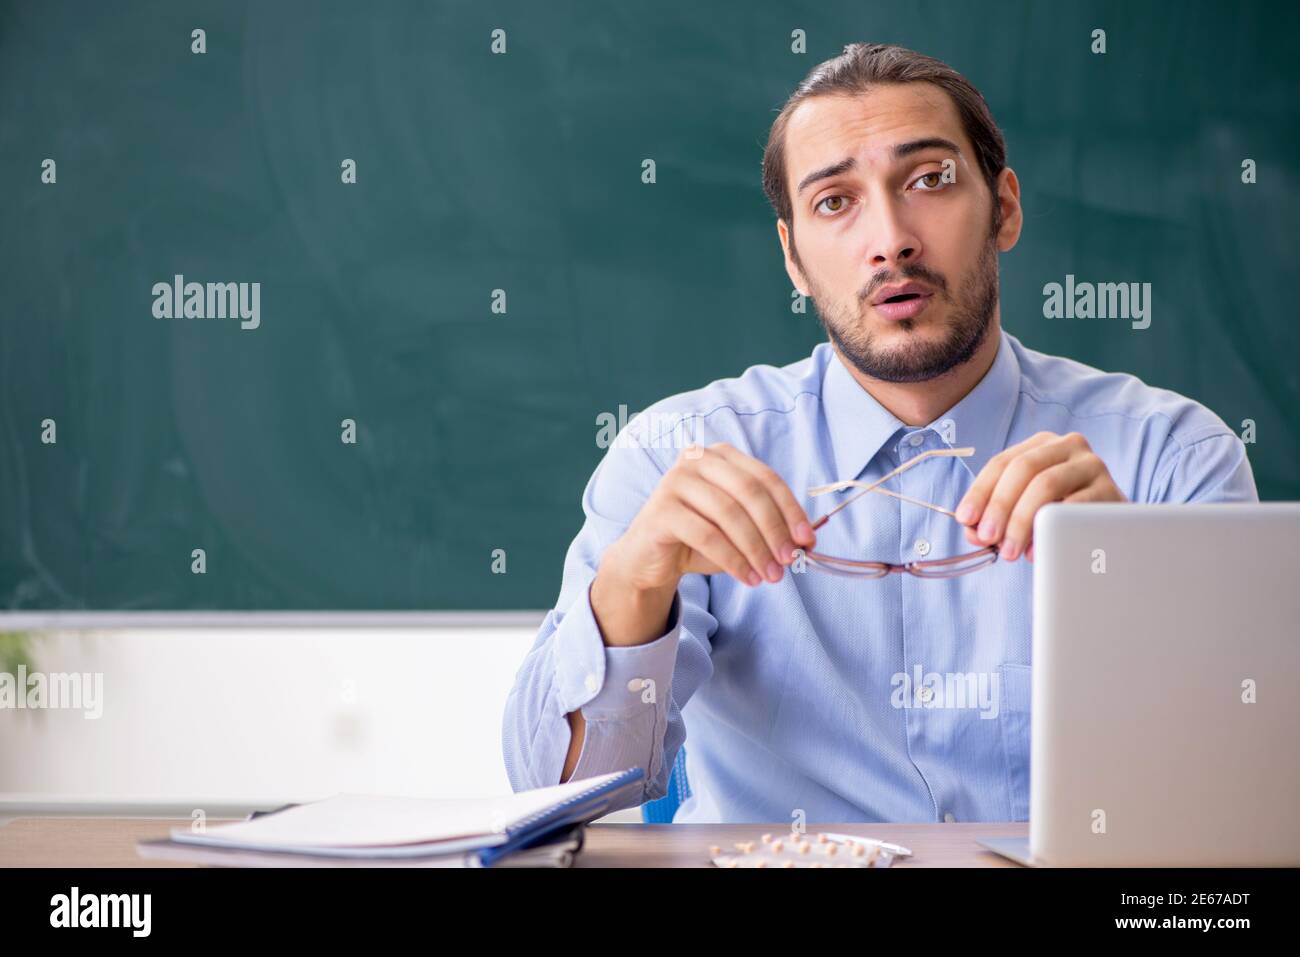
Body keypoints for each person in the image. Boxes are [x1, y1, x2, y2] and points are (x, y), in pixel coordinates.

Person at [502, 43, 1257, 823]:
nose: (891, 238)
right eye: (835, 200)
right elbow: (558, 794)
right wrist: (633, 582)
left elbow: (1246, 789)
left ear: (1005, 207)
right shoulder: (677, 456)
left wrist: (1135, 588)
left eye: (929, 180)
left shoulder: (1172, 461)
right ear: (793, 258)